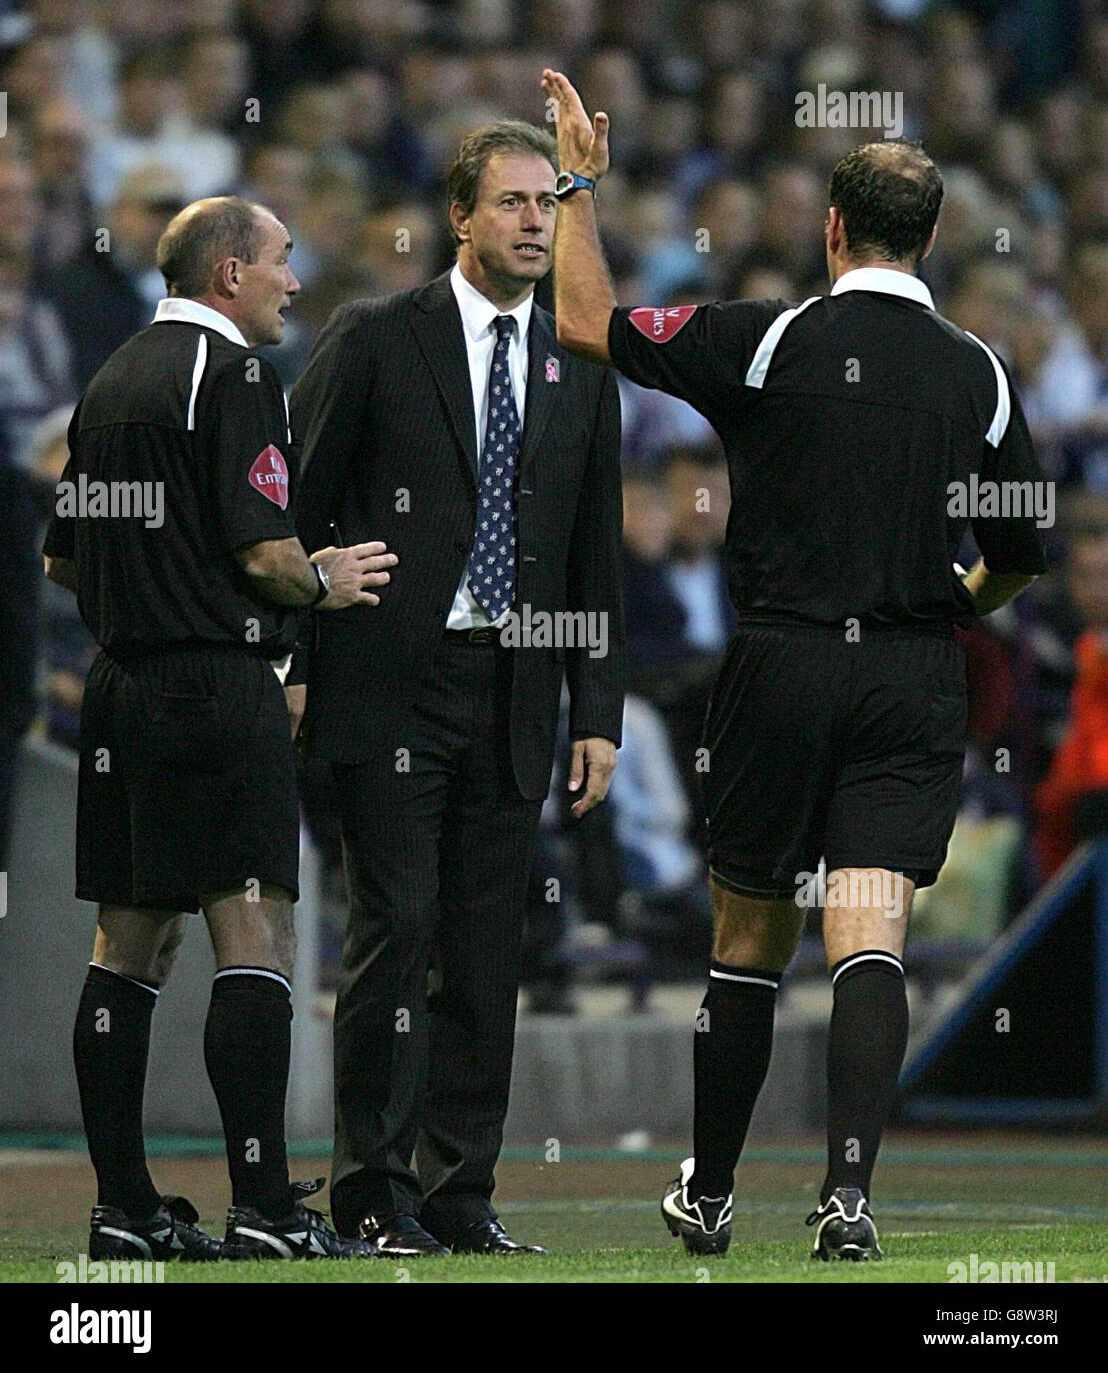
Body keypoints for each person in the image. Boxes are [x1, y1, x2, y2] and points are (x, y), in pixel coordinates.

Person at [541, 69, 1048, 1260]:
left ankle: (710, 1191)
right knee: (869, 931)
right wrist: (958, 598)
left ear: (830, 229)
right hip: (910, 670)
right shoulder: (976, 368)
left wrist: (576, 185)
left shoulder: (767, 336)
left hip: (779, 665)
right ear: (929, 242)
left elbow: (582, 323)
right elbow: (1022, 545)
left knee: (750, 938)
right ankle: (849, 1196)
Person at [287, 119, 625, 1257]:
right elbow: (294, 510)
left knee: (487, 946)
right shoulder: (377, 335)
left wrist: (602, 715)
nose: (537, 222)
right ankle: (371, 1190)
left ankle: (459, 1190)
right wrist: (298, 630)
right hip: (390, 678)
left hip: (518, 686)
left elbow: (595, 554)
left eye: (550, 203)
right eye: (517, 203)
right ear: (461, 217)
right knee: (398, 927)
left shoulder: (579, 364)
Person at [42, 195, 397, 1262]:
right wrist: (321, 581)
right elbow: (264, 551)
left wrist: (153, 584)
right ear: (230, 272)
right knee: (255, 932)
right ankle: (264, 1205)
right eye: (284, 262)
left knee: (129, 948)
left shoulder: (111, 381)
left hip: (119, 688)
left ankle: (124, 1207)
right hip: (215, 680)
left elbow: (64, 553)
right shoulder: (235, 375)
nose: (296, 282)